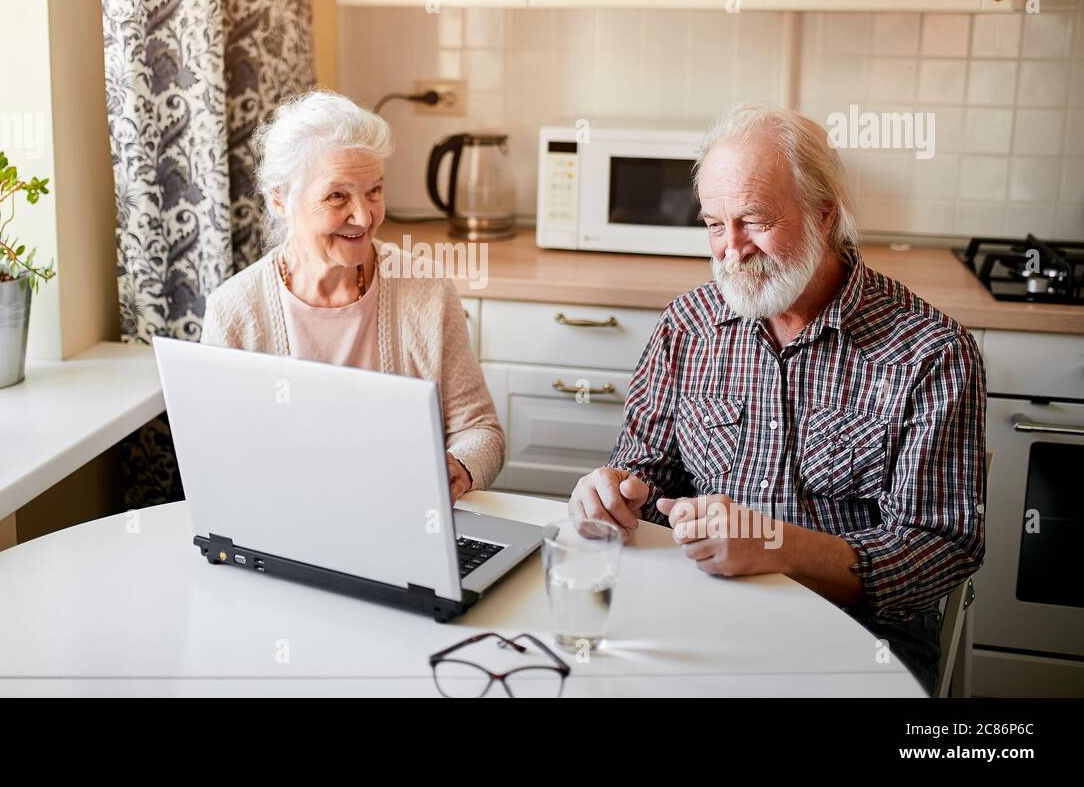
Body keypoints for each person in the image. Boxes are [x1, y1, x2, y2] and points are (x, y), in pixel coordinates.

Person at [568, 103, 986, 694]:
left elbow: (938, 549)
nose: (730, 249)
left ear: (824, 215)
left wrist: (778, 548)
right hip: (700, 605)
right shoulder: (687, 325)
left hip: (860, 635)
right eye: (713, 224)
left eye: (754, 220)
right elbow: (647, 468)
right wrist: (614, 491)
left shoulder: (930, 351)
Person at [201, 89, 503, 499]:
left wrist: (460, 466)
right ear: (279, 200)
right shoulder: (234, 311)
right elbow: (218, 452)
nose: (364, 216)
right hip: (284, 518)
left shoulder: (427, 292)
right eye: (337, 195)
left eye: (374, 191)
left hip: (403, 509)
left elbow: (479, 429)